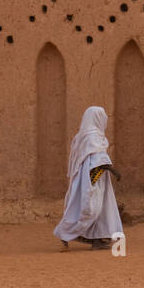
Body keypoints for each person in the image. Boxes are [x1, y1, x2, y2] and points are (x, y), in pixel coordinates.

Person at [54, 106, 123, 251]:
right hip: (92, 179)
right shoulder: (92, 136)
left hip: (92, 178)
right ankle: (65, 233)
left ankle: (97, 240)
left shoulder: (85, 136)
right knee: (91, 208)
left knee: (100, 209)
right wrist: (114, 171)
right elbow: (98, 159)